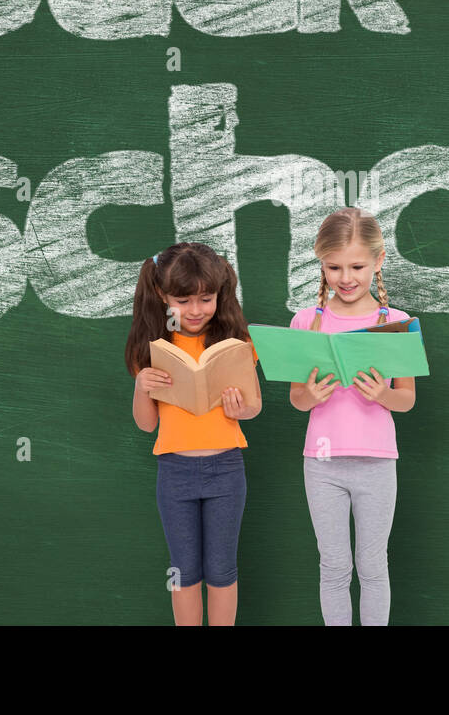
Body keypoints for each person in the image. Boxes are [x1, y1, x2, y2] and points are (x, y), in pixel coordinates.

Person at [289, 207, 417, 625]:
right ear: (321, 264)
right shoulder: (307, 322)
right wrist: (311, 393)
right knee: (334, 566)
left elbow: (407, 400)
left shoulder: (396, 323)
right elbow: (296, 400)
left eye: (357, 266)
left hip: (377, 462)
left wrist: (383, 394)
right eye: (334, 267)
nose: (346, 278)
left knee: (373, 566)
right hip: (322, 464)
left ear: (378, 262)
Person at [125, 242, 261, 625]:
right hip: (175, 471)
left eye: (206, 298)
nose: (196, 310)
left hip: (226, 468)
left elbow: (254, 406)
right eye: (183, 300)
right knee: (183, 569)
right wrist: (141, 387)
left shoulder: (235, 342)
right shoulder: (153, 348)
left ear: (220, 294)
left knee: (222, 568)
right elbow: (147, 424)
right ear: (161, 295)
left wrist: (241, 408)